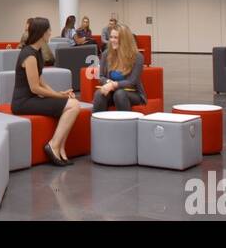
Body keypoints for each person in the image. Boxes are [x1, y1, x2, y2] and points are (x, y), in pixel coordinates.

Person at [11, 17, 80, 167]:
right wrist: (59, 96)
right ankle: (54, 145)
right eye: (48, 30)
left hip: (31, 99)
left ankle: (60, 147)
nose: (50, 33)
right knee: (73, 105)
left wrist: (59, 94)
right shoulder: (29, 54)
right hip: (23, 103)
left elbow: (41, 82)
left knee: (73, 104)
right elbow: (35, 87)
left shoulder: (36, 51)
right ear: (42, 33)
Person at [93, 24, 146, 113]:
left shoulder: (137, 57)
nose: (112, 40)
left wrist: (114, 85)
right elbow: (101, 76)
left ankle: (125, 125)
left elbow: (131, 81)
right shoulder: (106, 54)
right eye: (111, 37)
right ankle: (98, 125)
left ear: (125, 40)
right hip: (112, 92)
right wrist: (108, 82)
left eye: (116, 38)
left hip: (132, 93)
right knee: (99, 93)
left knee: (119, 94)